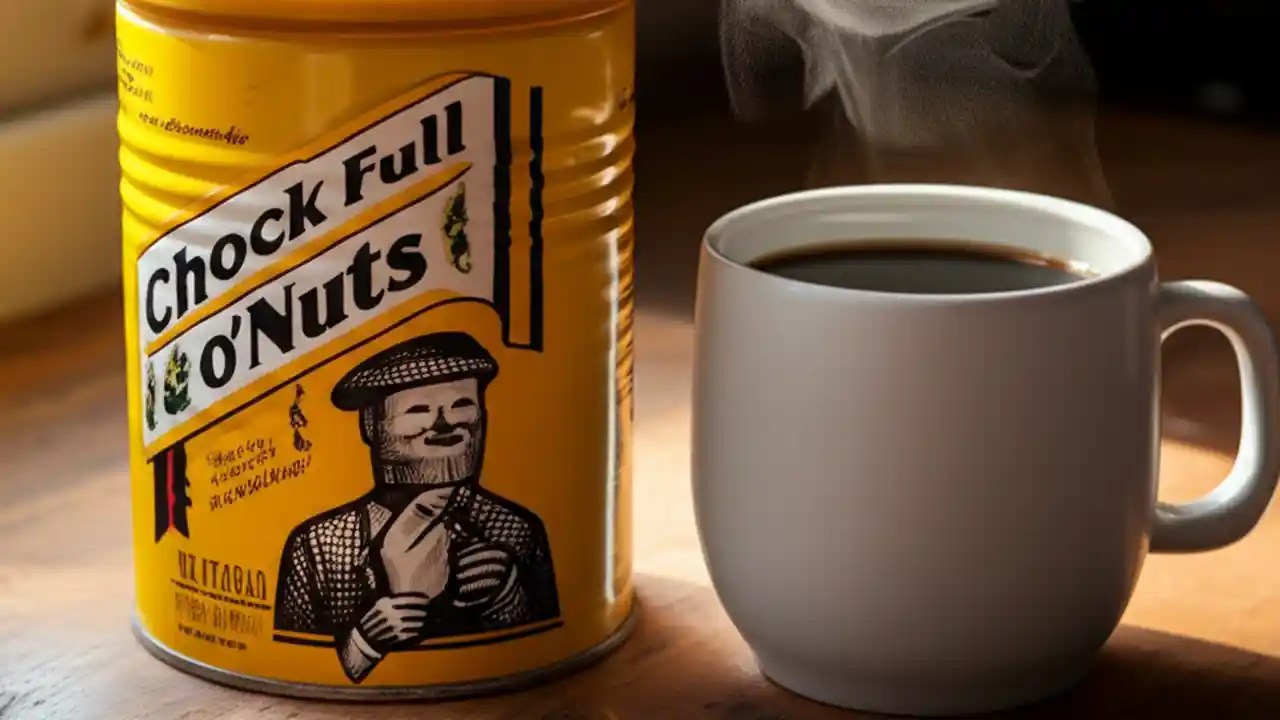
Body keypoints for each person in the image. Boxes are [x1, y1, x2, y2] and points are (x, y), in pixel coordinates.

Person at [273, 331, 559, 683]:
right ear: (370, 426)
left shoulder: (515, 529)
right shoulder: (320, 544)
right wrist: (366, 640)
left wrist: (507, 599)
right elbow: (292, 652)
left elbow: (550, 630)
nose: (443, 423)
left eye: (461, 405)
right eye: (419, 410)